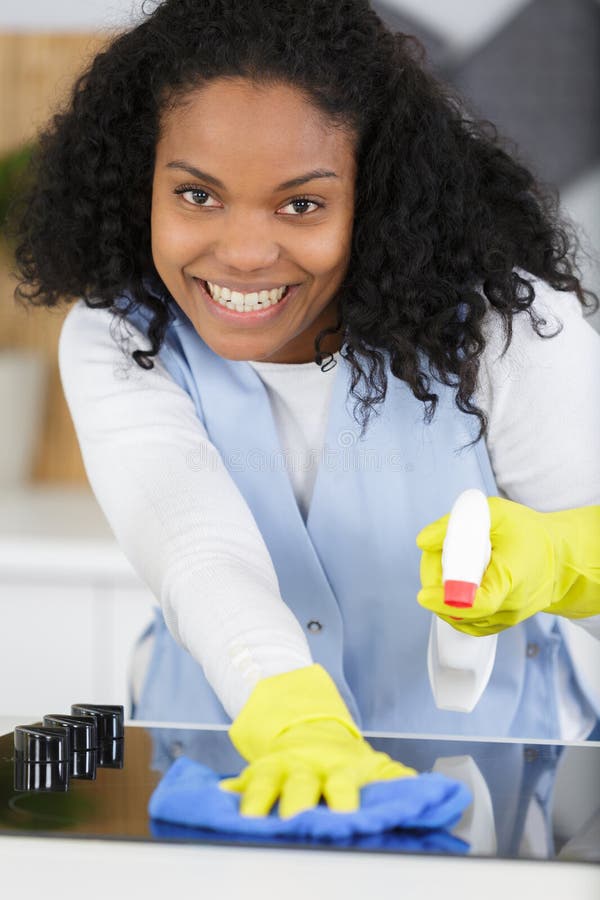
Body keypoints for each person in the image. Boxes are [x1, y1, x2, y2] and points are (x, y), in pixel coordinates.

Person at [11, 0, 600, 817]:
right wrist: (297, 720)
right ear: (138, 181)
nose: (245, 253)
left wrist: (567, 559)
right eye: (197, 195)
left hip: (482, 801)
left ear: (376, 195)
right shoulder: (121, 336)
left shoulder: (505, 330)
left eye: (301, 205)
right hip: (223, 780)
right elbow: (196, 549)